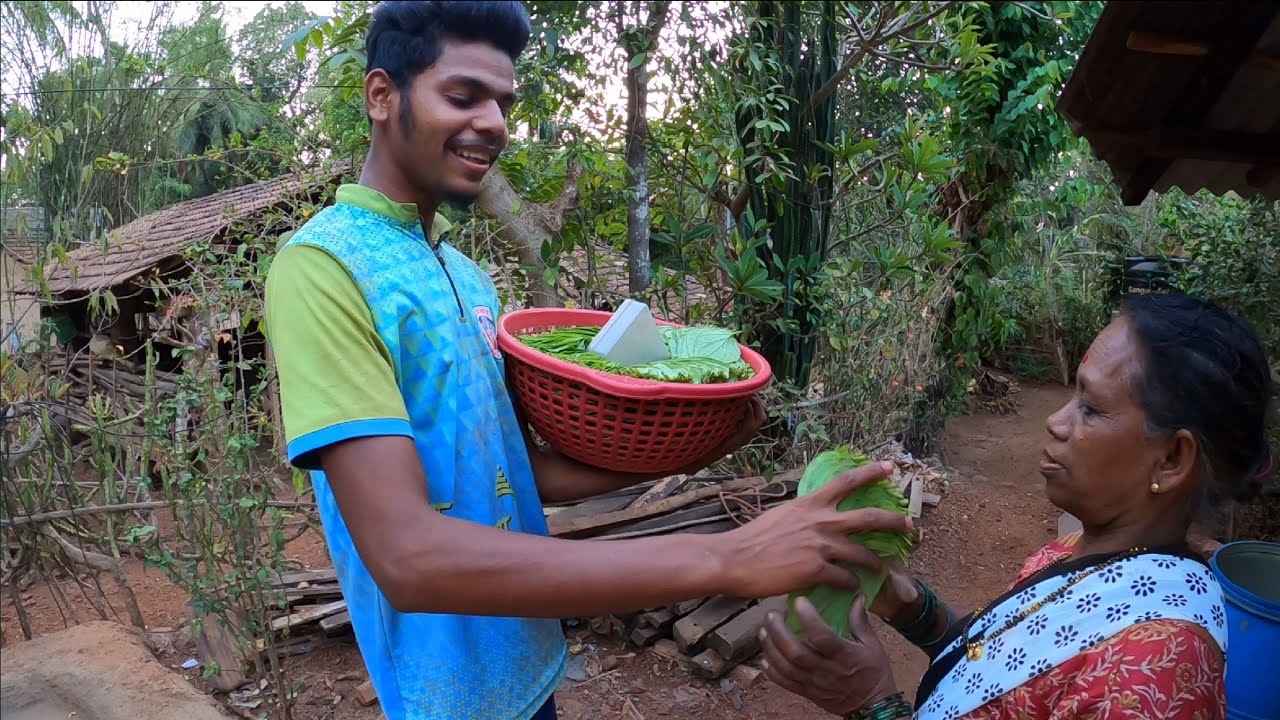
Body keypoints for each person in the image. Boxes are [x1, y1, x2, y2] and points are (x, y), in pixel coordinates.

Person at [262, 2, 913, 719]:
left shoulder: (465, 276)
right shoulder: (324, 268)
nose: (494, 123)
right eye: (463, 95)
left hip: (530, 662)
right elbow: (408, 558)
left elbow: (520, 473)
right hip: (444, 697)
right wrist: (730, 557)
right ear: (382, 96)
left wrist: (694, 452)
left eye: (503, 103)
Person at [759, 292, 1274, 720]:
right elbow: (1000, 670)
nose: (1055, 421)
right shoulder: (1085, 552)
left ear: (1171, 459)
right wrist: (909, 606)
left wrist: (873, 704)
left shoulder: (1152, 677)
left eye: (1091, 408)